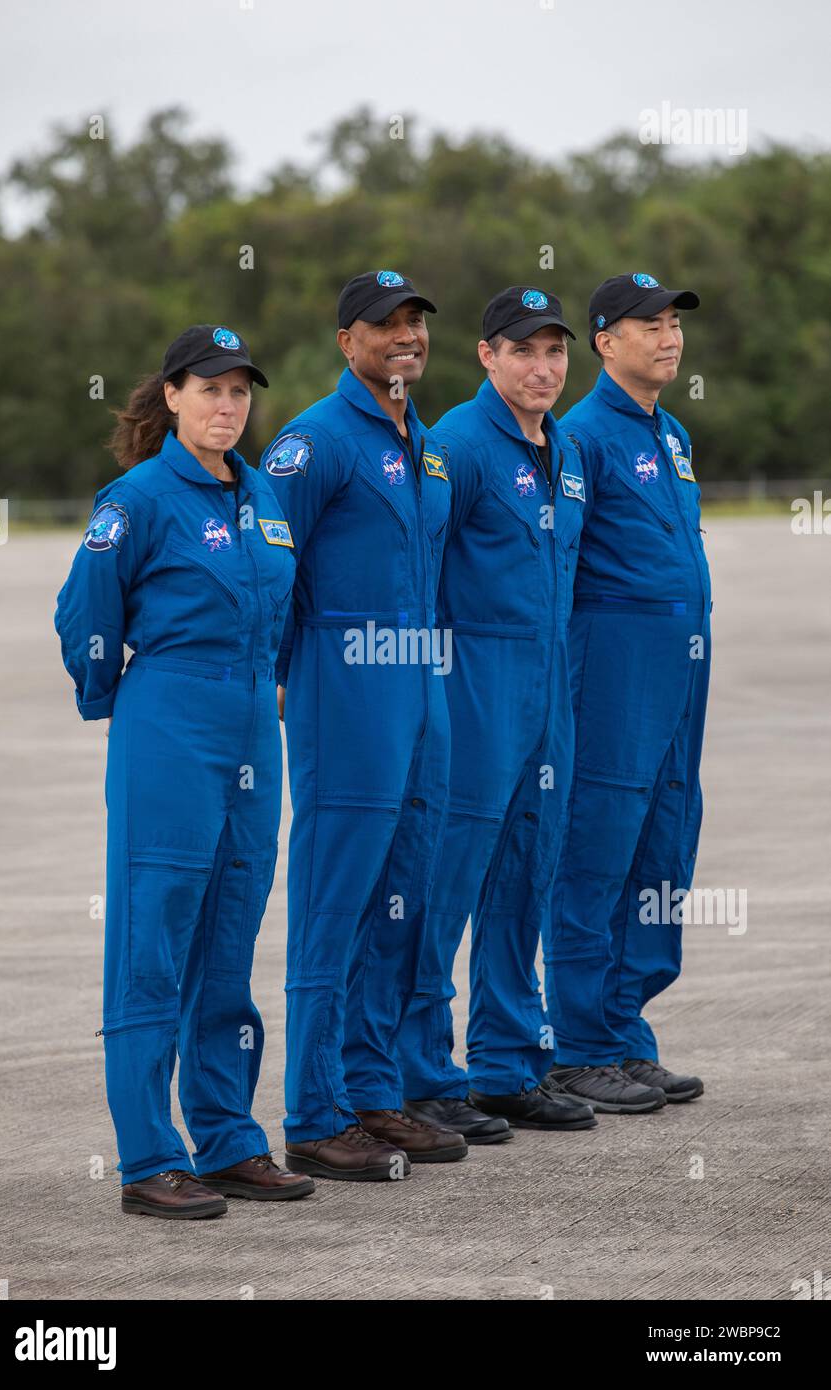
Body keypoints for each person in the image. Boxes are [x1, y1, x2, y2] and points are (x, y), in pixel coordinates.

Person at [55, 324, 314, 1217]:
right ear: (171, 397)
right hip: (170, 720)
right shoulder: (137, 499)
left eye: (240, 391)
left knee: (230, 937)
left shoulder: (266, 496)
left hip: (251, 726)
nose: (227, 405)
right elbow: (85, 613)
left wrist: (268, 684)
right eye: (209, 389)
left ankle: (229, 1137)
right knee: (153, 939)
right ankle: (148, 1158)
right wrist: (117, 705)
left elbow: (287, 610)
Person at [264, 271, 466, 1180]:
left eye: (416, 322)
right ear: (348, 339)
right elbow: (271, 570)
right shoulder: (315, 442)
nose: (406, 336)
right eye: (386, 324)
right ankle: (312, 1111)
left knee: (402, 894)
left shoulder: (423, 446)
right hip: (343, 694)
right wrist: (279, 679)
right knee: (335, 899)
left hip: (418, 689)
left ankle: (372, 1090)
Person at [396, 287, 596, 1139]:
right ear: (487, 356)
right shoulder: (456, 449)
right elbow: (418, 572)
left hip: (548, 686)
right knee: (448, 879)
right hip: (474, 683)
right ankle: (419, 1073)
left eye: (554, 351)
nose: (543, 367)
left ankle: (508, 1066)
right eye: (523, 351)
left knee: (528, 874)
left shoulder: (569, 450)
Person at [546, 273, 710, 1112]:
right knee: (597, 841)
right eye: (649, 324)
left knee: (664, 838)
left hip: (680, 665)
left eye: (674, 322)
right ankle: (576, 1043)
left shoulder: (671, 432)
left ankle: (622, 1028)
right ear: (606, 342)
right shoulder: (581, 439)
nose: (669, 335)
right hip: (613, 662)